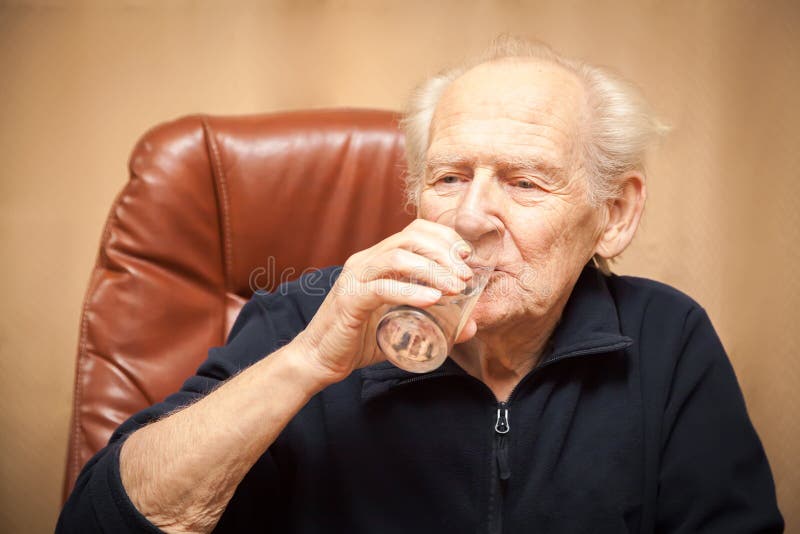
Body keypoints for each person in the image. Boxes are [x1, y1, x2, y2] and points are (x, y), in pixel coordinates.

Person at [58, 38, 783, 533]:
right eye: (449, 178)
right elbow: (99, 521)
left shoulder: (667, 339)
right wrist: (308, 364)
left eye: (524, 182)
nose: (471, 218)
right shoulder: (304, 316)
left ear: (614, 215)